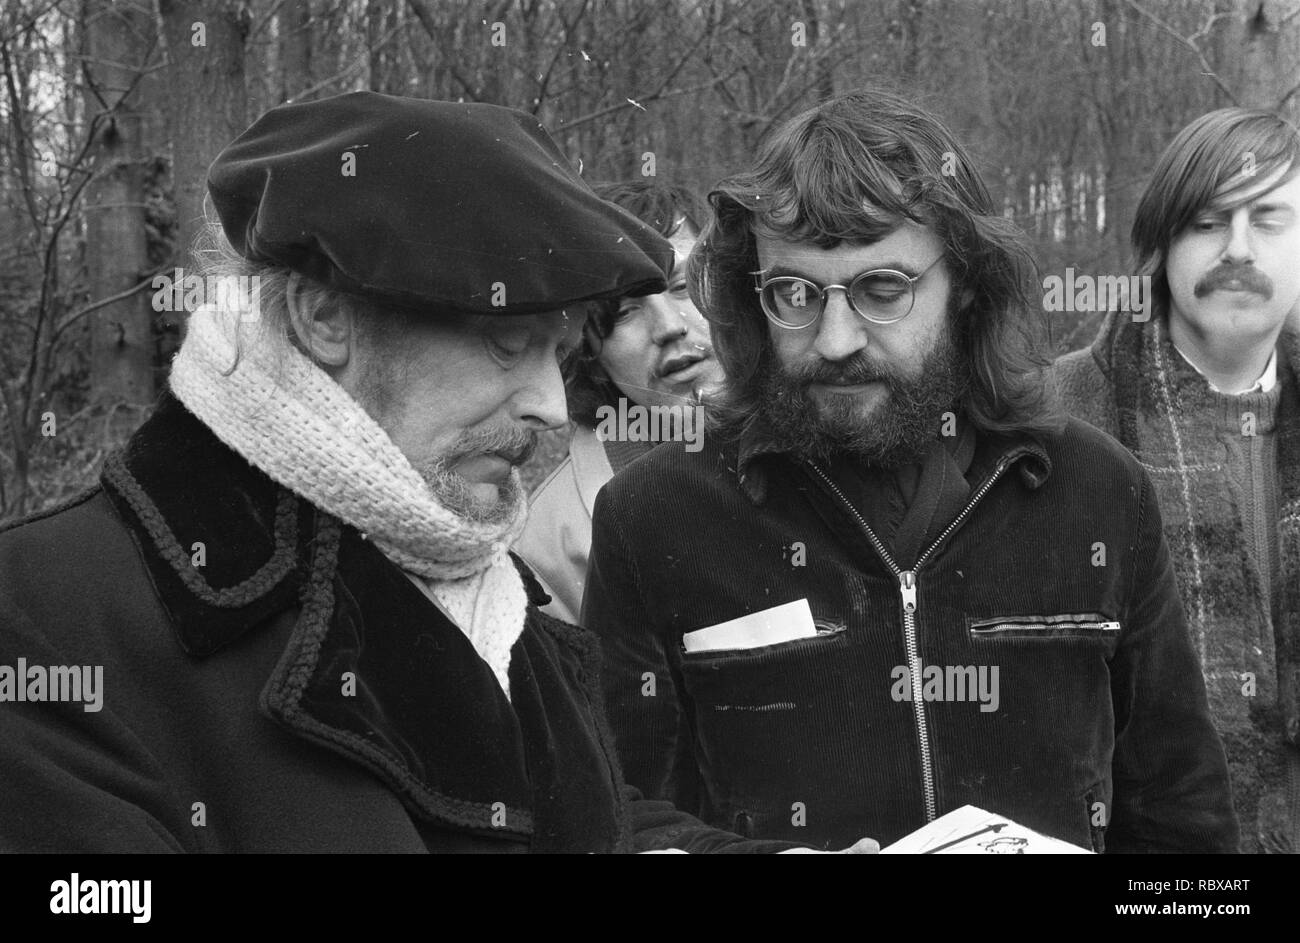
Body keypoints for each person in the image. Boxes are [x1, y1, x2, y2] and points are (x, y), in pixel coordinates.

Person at [0, 92, 826, 853]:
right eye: (507, 343)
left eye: (561, 351)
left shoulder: (483, 585)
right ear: (327, 316)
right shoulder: (46, 616)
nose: (547, 404)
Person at [582, 88, 1239, 852]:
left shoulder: (1097, 489)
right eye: (792, 293)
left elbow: (1184, 818)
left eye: (882, 290)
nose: (833, 340)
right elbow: (608, 809)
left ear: (966, 286)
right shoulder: (653, 516)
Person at [1055, 108, 1300, 853]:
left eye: (1270, 218)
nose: (1238, 248)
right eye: (1205, 222)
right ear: (1161, 247)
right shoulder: (1057, 422)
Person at [517, 180, 723, 622]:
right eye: (624, 310)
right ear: (585, 348)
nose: (668, 325)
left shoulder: (849, 440)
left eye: (685, 286)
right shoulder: (551, 545)